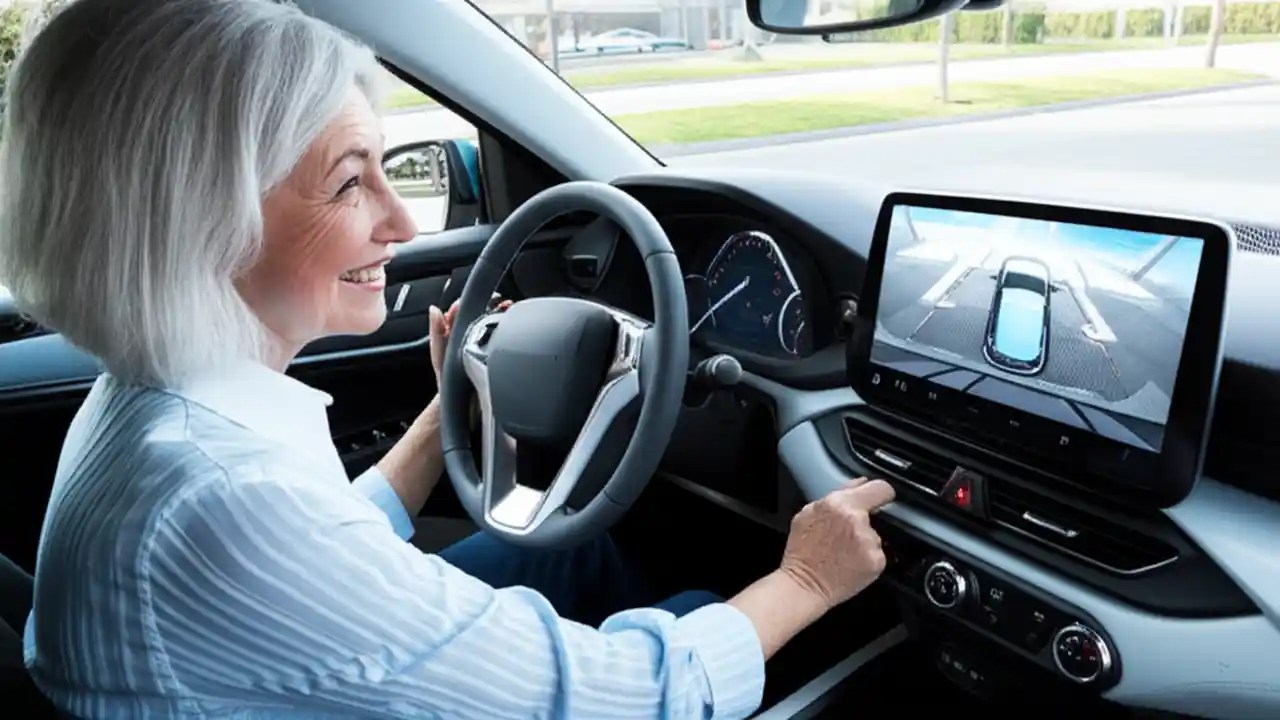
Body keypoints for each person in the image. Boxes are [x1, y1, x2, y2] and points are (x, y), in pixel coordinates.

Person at [0, 1, 896, 718]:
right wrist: (807, 578)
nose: (400, 222)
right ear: (200, 224)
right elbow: (630, 695)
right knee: (707, 619)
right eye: (352, 182)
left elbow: (321, 543)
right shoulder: (223, 501)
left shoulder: (151, 404)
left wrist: (443, 418)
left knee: (579, 561)